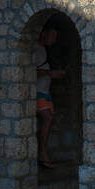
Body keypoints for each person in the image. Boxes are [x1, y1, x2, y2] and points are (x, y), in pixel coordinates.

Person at [35, 26, 66, 168]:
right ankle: (43, 154)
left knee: (48, 120)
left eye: (55, 37)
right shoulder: (35, 49)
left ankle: (42, 152)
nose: (54, 40)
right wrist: (50, 73)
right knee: (47, 118)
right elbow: (30, 70)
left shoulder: (44, 49)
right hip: (38, 92)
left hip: (45, 92)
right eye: (52, 36)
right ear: (43, 34)